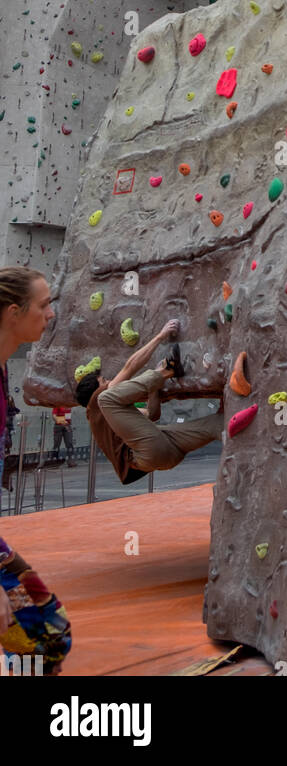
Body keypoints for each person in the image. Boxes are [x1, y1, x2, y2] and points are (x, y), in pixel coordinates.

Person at [0, 266, 72, 674]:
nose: (50, 315)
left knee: (47, 637)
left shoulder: (4, 366)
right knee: (42, 638)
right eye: (43, 306)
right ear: (14, 311)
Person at [74, 320, 223, 482]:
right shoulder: (97, 404)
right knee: (107, 397)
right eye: (104, 380)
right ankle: (167, 370)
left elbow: (152, 414)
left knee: (217, 423)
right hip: (145, 454)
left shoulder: (106, 420)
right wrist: (160, 336)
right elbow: (129, 368)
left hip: (162, 452)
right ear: (94, 391)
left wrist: (154, 389)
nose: (109, 380)